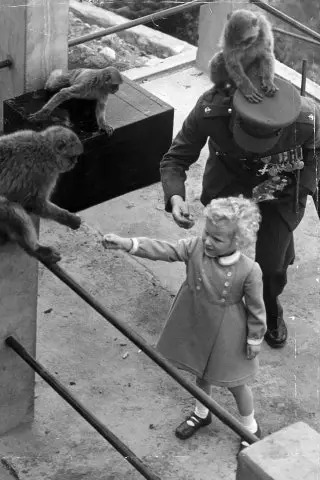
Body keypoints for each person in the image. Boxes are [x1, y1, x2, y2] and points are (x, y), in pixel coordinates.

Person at [160, 70, 320, 349]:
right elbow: (176, 158)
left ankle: (270, 308)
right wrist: (176, 197)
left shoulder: (307, 119)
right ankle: (210, 308)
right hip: (229, 184)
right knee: (217, 252)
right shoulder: (211, 109)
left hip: (280, 188)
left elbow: (317, 157)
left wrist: (306, 188)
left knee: (270, 268)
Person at [102, 196, 267, 452]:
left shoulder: (249, 270)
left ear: (238, 241)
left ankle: (250, 426)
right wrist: (128, 244)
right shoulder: (195, 247)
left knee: (236, 383)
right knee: (199, 371)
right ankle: (202, 412)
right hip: (194, 319)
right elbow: (165, 250)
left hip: (227, 332)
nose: (208, 241)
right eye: (207, 234)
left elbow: (257, 309)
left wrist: (254, 339)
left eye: (217, 238)